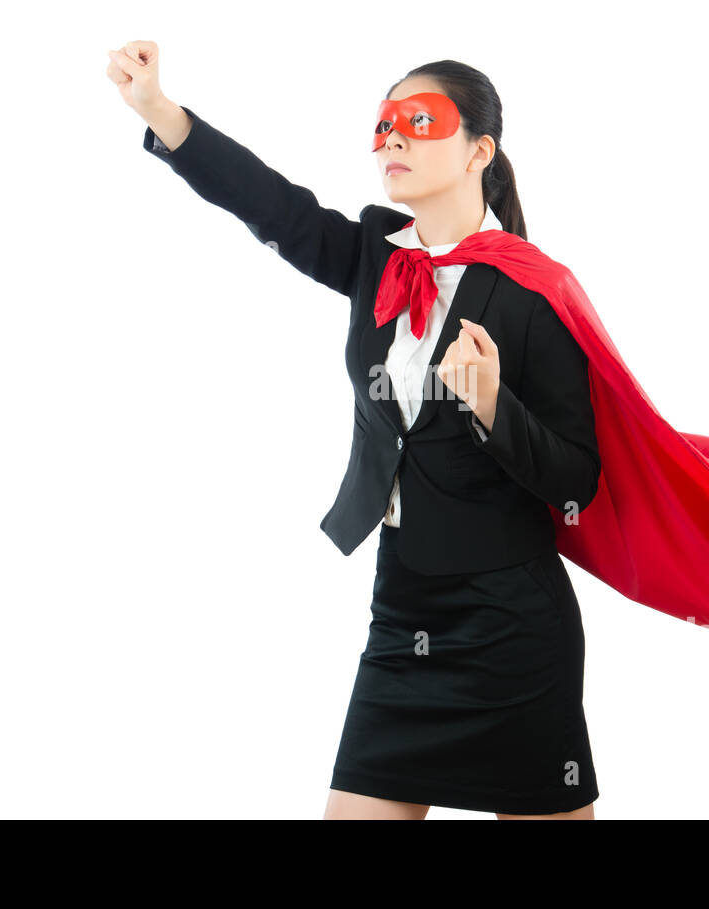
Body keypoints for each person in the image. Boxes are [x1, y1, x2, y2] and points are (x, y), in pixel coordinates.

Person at [107, 42, 602, 819]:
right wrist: (163, 114)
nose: (393, 137)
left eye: (419, 120)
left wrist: (492, 406)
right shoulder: (375, 252)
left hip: (513, 623)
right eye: (383, 125)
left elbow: (577, 478)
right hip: (404, 610)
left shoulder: (535, 291)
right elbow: (273, 206)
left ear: (481, 149)